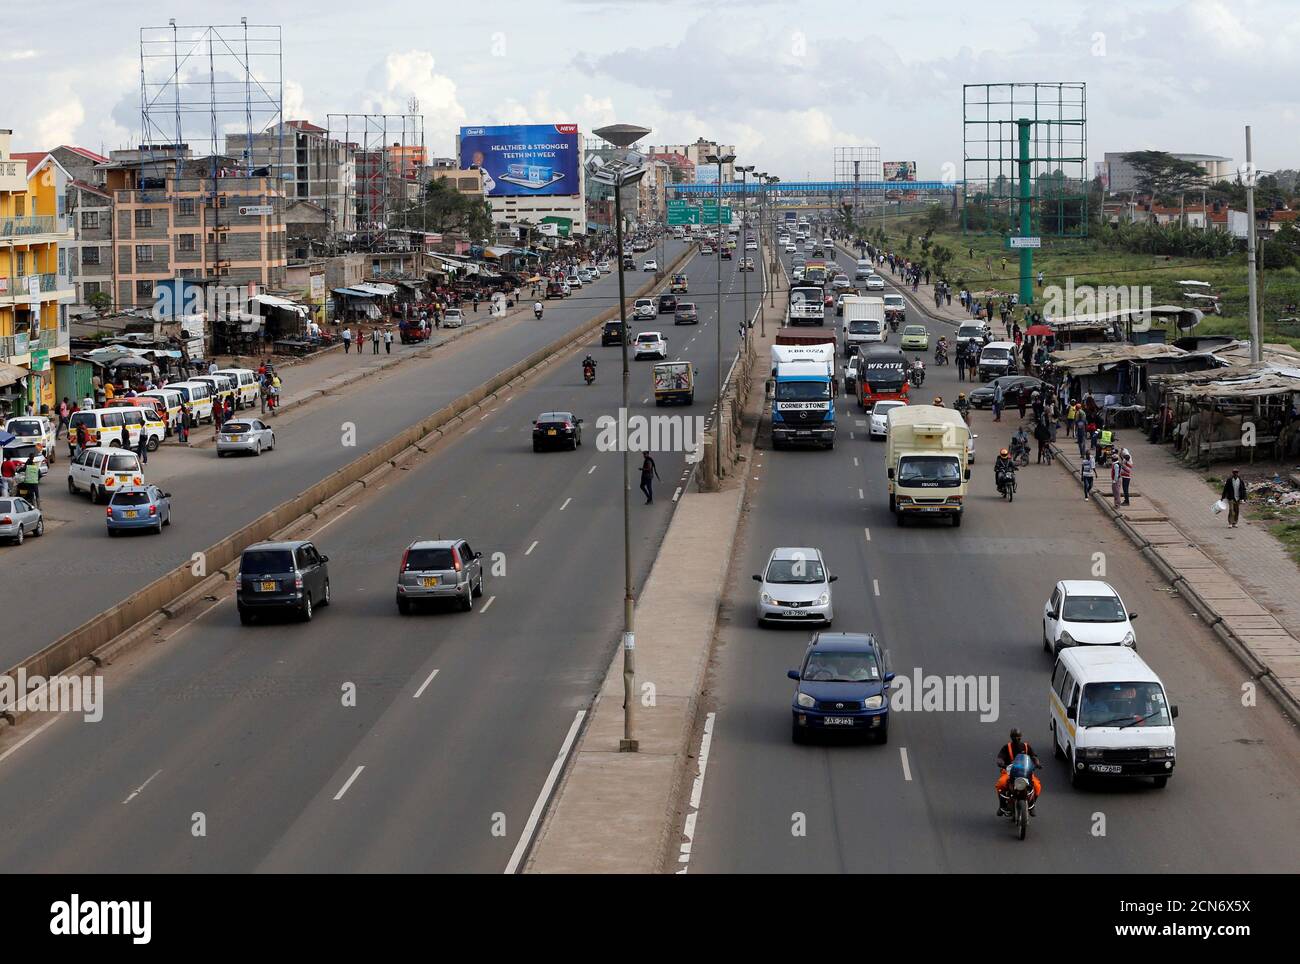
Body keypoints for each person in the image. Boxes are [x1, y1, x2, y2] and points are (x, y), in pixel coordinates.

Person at [995, 728, 1042, 816]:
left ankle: (1032, 805)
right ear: (1011, 737)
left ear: (1021, 737)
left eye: (1018, 737)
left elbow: (1034, 757)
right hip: (1009, 772)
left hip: (1025, 772)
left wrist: (1037, 763)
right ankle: (1002, 806)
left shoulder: (1026, 746)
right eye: (1014, 737)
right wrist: (1000, 762)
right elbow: (1000, 757)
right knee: (1000, 784)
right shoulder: (1006, 747)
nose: (1016, 739)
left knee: (1037, 786)